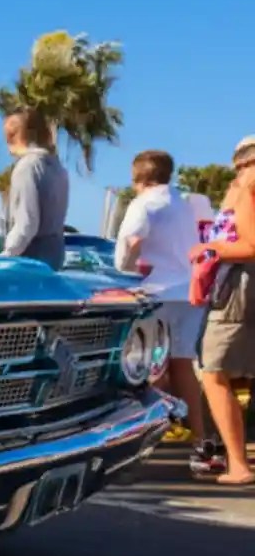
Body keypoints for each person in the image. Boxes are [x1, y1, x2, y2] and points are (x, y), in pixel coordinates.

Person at [114, 150, 207, 444]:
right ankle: (199, 437)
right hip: (188, 292)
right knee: (183, 364)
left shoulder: (143, 205)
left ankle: (150, 436)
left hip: (156, 291)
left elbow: (133, 243)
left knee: (148, 365)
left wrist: (126, 270)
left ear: (137, 177)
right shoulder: (184, 204)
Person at [189, 136, 255, 484]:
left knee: (213, 371)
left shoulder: (247, 186)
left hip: (239, 286)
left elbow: (250, 244)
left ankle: (238, 466)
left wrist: (210, 247)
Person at [0, 109, 70, 269]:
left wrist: (6, 256)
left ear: (11, 135)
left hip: (31, 260)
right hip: (55, 255)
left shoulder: (27, 167)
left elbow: (27, 223)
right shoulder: (57, 168)